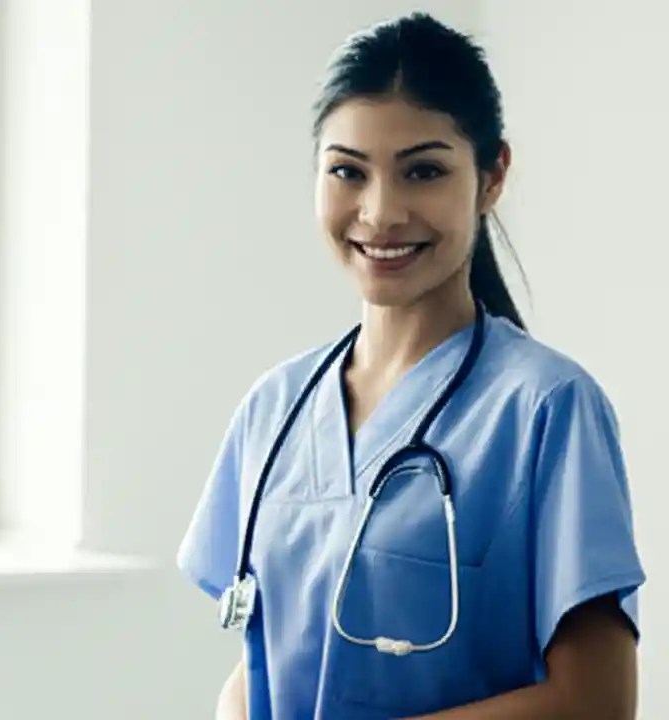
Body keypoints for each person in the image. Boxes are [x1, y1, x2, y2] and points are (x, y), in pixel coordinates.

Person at [176, 12, 643, 720]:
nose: (381, 211)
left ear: (492, 177)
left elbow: (596, 702)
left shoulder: (546, 408)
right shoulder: (276, 410)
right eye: (347, 172)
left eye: (422, 171)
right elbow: (259, 667)